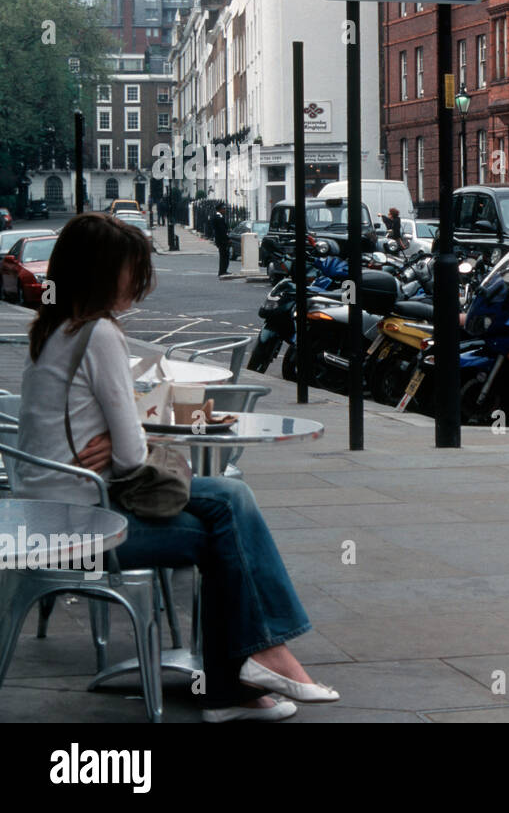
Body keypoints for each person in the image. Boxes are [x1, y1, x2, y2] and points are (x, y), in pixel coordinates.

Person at [16, 213, 339, 722]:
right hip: (83, 527)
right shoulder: (98, 333)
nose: (138, 283)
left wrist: (118, 438)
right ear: (102, 272)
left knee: (231, 502)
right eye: (131, 269)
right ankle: (248, 674)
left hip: (49, 514)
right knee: (225, 527)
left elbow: (119, 448)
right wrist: (125, 438)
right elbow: (129, 457)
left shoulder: (52, 329)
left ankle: (246, 677)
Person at [212, 209, 230, 277]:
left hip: (220, 240)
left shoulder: (218, 217)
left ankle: (223, 270)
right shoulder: (218, 218)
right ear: (220, 209)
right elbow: (222, 230)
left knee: (224, 256)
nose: (225, 210)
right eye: (224, 209)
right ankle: (222, 271)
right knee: (224, 256)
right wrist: (227, 239)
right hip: (222, 240)